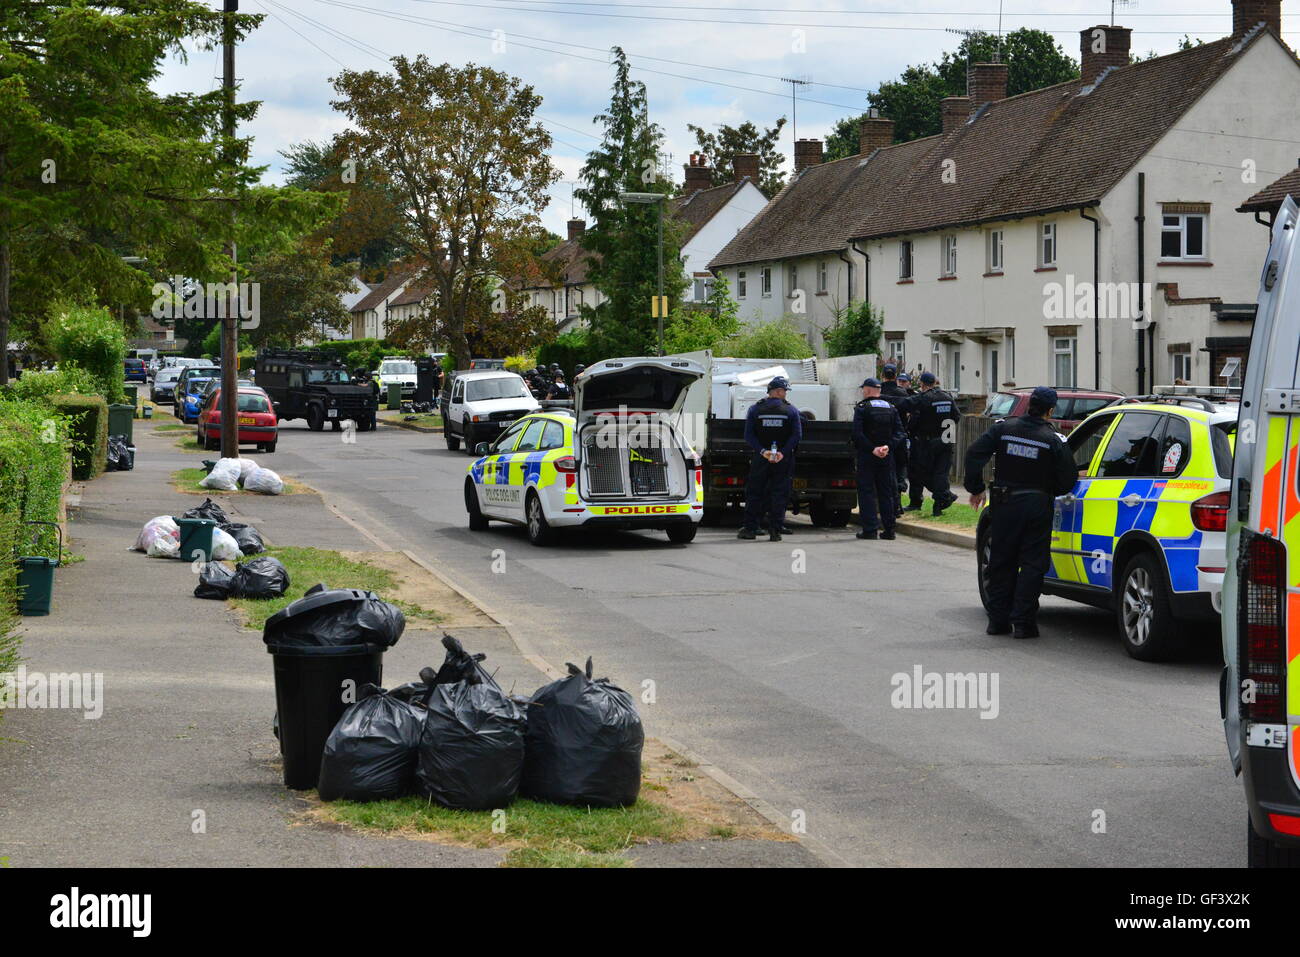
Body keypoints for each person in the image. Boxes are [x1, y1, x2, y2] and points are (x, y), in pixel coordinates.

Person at [964, 385, 1077, 639]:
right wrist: (1049, 490)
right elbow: (1068, 478)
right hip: (1037, 506)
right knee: (1032, 565)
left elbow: (973, 453)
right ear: (1050, 410)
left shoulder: (1003, 429)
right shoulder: (1053, 439)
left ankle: (997, 622)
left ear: (1029, 405)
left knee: (1001, 561)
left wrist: (976, 487)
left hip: (1005, 504)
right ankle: (1024, 624)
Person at [738, 376, 802, 542]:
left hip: (762, 458)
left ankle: (750, 529)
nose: (785, 394)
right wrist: (783, 452)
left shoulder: (755, 409)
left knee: (755, 492)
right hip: (783, 459)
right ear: (779, 391)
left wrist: (763, 451)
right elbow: (797, 435)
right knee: (779, 493)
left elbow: (748, 436)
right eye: (784, 391)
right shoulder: (791, 411)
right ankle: (775, 530)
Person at [853, 378, 907, 540]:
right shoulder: (891, 408)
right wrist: (888, 447)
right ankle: (889, 530)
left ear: (868, 390)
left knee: (867, 492)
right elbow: (900, 433)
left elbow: (857, 434)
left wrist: (872, 449)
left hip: (868, 456)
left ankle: (870, 530)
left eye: (864, 389)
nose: (863, 392)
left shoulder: (862, 408)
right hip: (886, 456)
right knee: (887, 492)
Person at [901, 371, 961, 515]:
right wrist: (947, 432)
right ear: (935, 382)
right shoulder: (947, 397)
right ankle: (940, 504)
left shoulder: (924, 398)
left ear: (922, 384)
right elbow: (956, 416)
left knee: (922, 474)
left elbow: (905, 405)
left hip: (928, 442)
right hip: (946, 440)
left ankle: (945, 497)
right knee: (941, 474)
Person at [878, 364, 910, 518]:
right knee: (899, 471)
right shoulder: (902, 393)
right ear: (896, 376)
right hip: (900, 439)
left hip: (881, 440)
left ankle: (890, 506)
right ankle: (897, 504)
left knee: (884, 475)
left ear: (882, 375)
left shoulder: (878, 392)